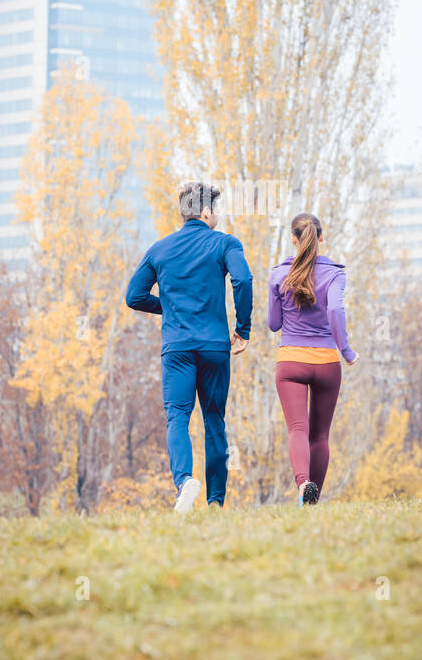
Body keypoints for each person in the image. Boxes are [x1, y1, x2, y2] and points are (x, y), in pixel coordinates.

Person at [125, 181, 253, 512]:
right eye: (216, 211)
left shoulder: (159, 249)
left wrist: (167, 305)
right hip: (214, 346)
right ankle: (214, 501)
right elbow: (243, 280)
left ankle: (184, 482)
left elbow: (134, 296)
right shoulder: (225, 243)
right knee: (214, 419)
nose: (218, 217)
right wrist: (243, 329)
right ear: (206, 211)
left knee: (177, 417)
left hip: (177, 348)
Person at [268, 212, 357, 505]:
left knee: (297, 429)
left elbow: (273, 323)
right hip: (327, 363)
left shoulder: (279, 274)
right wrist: (346, 351)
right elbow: (334, 311)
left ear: (294, 239)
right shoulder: (335, 273)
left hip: (291, 361)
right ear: (321, 237)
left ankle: (303, 482)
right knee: (319, 435)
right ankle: (312, 501)